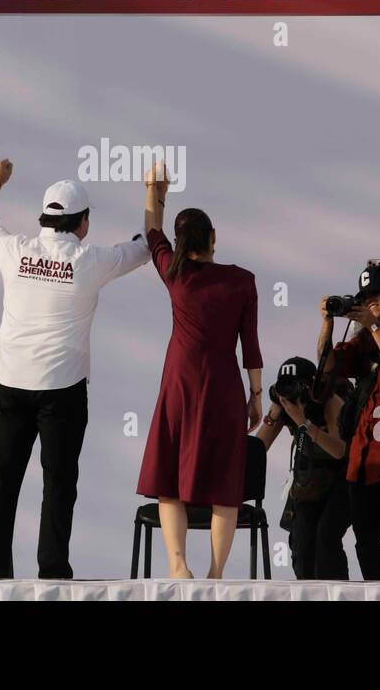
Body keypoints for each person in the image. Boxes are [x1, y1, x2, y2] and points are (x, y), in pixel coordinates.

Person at [0, 158, 151, 579]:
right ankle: (52, 571)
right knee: (58, 483)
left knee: (0, 483)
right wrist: (153, 193)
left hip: (12, 385)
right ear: (82, 223)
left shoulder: (15, 250)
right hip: (62, 391)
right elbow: (147, 245)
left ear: (46, 218)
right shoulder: (91, 261)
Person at [138, 170, 264, 579]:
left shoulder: (175, 275)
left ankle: (178, 566)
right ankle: (215, 574)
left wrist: (153, 191)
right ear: (213, 236)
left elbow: (152, 228)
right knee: (224, 483)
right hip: (225, 384)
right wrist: (256, 395)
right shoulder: (242, 281)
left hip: (179, 382)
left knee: (169, 477)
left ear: (179, 243)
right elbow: (251, 343)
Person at [324, 264, 380, 581]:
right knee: (365, 541)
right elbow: (331, 367)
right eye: (365, 298)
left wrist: (375, 327)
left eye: (377, 295)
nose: (371, 302)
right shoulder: (364, 339)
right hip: (362, 458)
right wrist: (328, 322)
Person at [256, 356, 351, 580]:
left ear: (311, 386)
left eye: (295, 386)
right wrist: (274, 412)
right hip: (309, 477)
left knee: (326, 537)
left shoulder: (329, 400)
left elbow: (340, 451)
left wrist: (304, 423)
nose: (291, 393)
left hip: (341, 475)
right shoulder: (286, 404)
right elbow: (259, 448)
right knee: (302, 542)